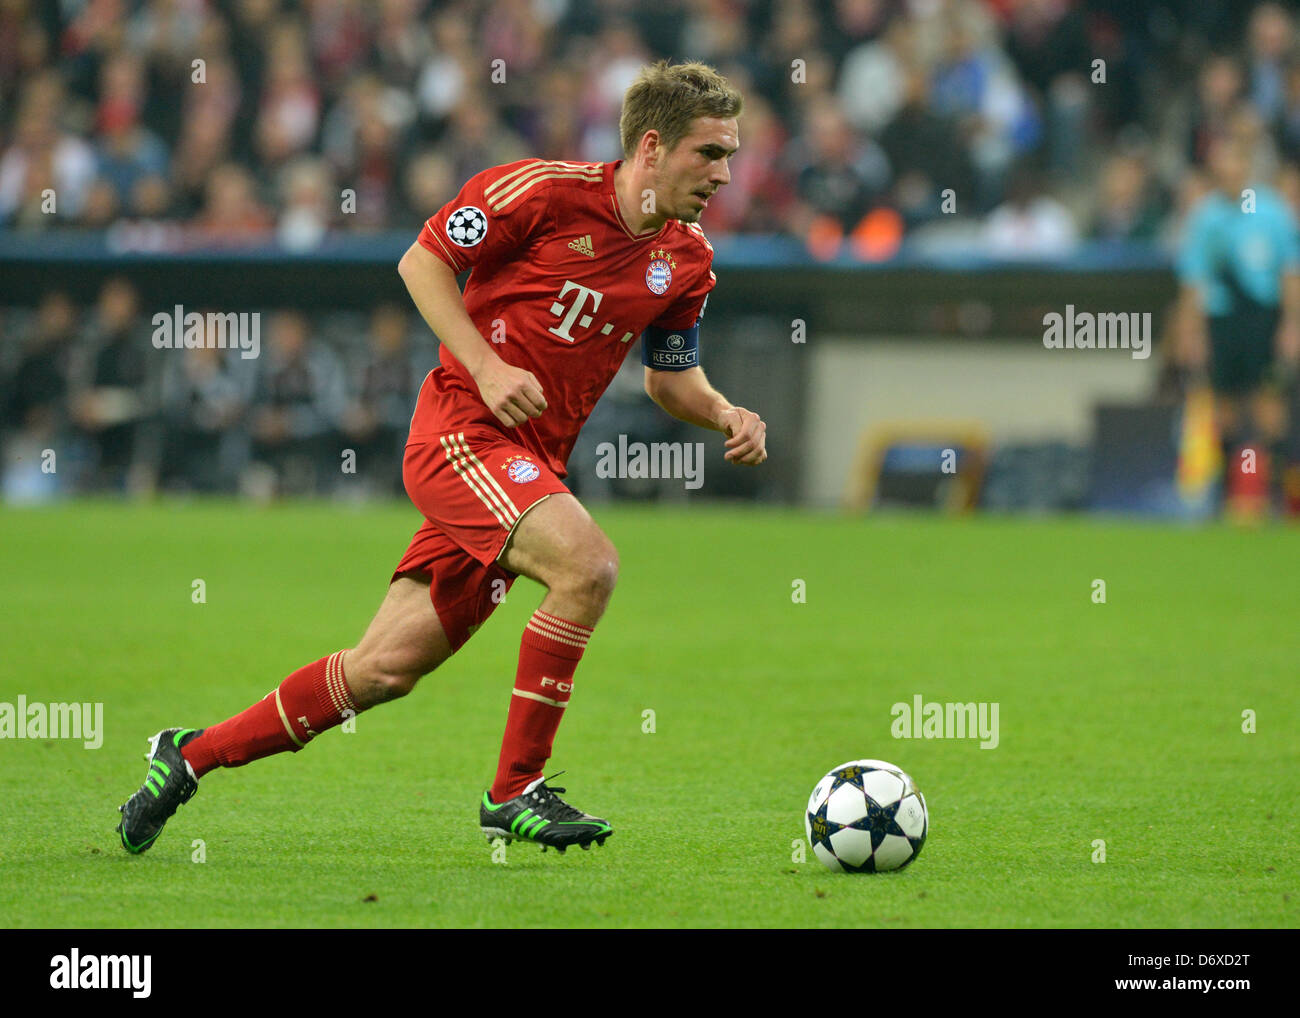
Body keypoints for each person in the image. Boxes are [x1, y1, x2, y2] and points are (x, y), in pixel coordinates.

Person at [117, 60, 767, 855]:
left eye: (730, 155)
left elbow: (672, 383)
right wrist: (487, 367)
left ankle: (187, 756)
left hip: (528, 471)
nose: (725, 174)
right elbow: (421, 261)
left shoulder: (689, 258)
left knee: (382, 670)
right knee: (587, 567)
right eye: (710, 154)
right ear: (654, 146)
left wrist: (725, 411)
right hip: (461, 433)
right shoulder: (540, 190)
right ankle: (515, 790)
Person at [1177, 137, 1300, 514]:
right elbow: (1193, 280)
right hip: (1222, 320)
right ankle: (1232, 492)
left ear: (1246, 168)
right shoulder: (1205, 217)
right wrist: (1191, 333)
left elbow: (1289, 273)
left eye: (1235, 163)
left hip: (1262, 319)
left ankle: (1273, 491)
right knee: (1225, 406)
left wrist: (1292, 325)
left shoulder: (1273, 213)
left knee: (1268, 405)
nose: (1229, 172)